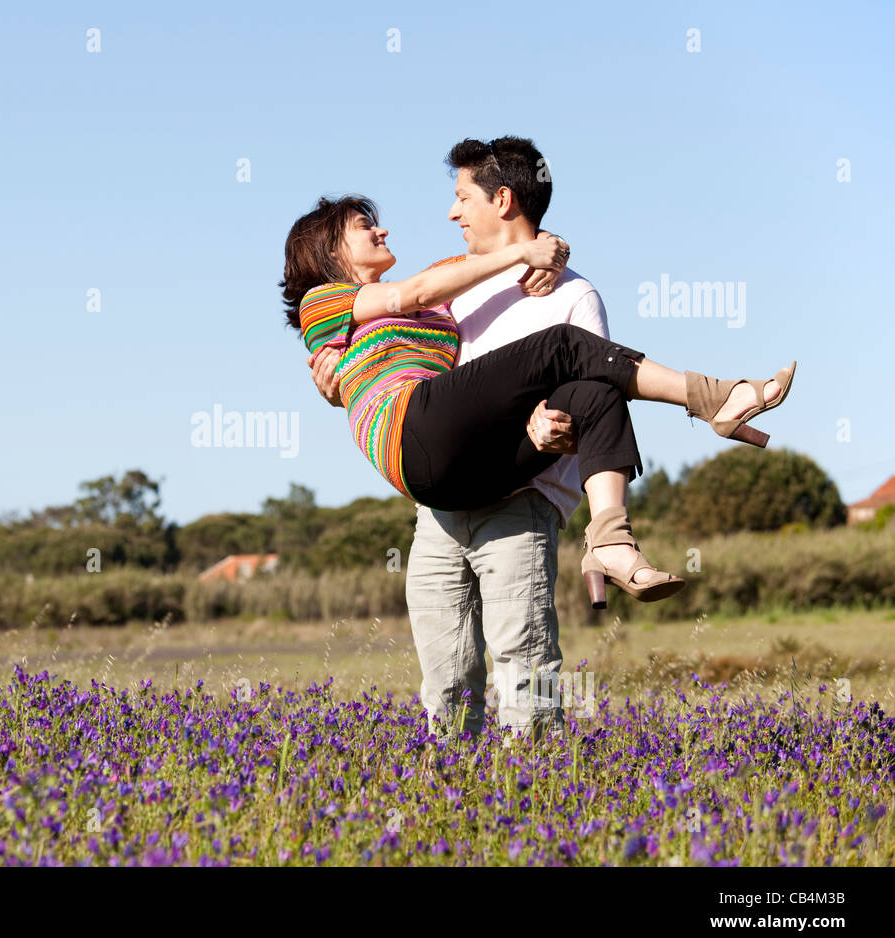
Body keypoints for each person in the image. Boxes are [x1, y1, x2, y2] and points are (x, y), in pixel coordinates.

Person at [284, 148, 794, 739]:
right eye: (363, 226)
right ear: (330, 253)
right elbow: (416, 292)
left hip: (496, 476)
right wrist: (524, 250)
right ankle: (715, 398)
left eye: (463, 198)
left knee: (595, 392)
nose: (445, 215)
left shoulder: (484, 288)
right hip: (421, 452)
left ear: (502, 201)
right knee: (447, 678)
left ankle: (609, 544)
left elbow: (468, 284)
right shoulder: (326, 300)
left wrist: (542, 250)